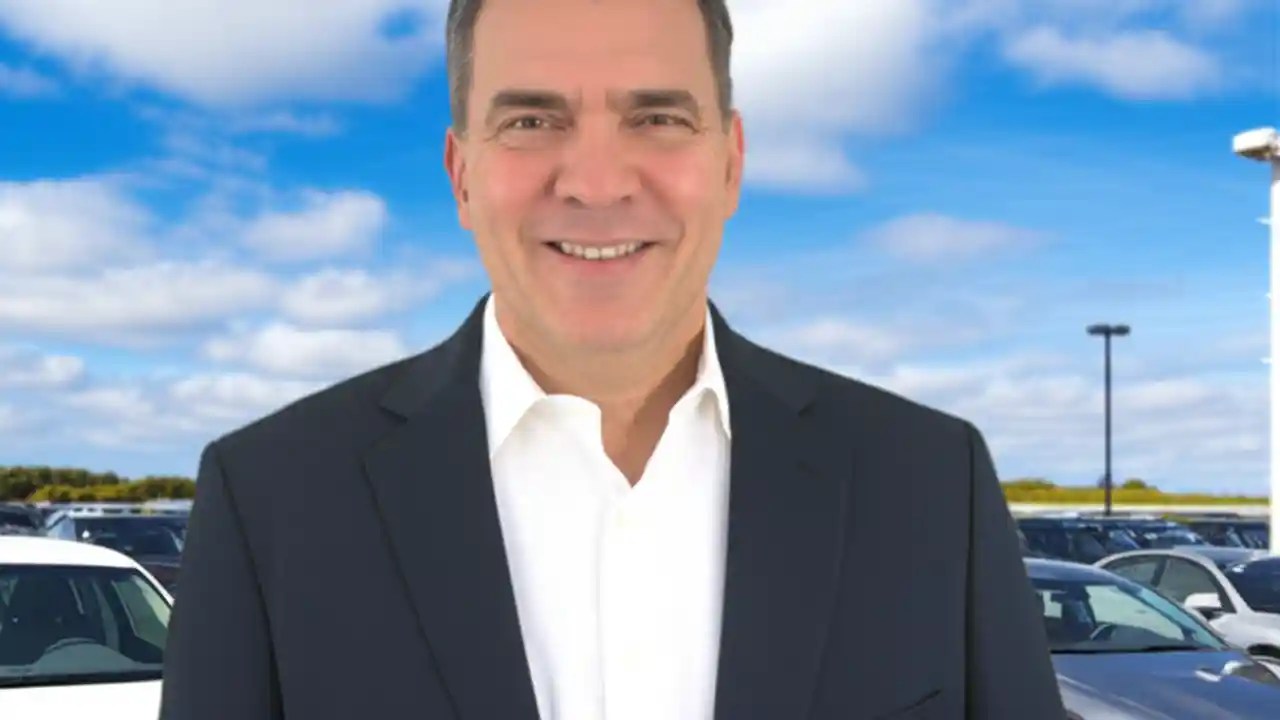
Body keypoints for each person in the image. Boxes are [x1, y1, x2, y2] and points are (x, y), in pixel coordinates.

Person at [159, 0, 1065, 718]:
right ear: (461, 173)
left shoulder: (929, 483)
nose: (595, 182)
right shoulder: (271, 498)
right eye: (530, 121)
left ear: (731, 162)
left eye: (659, 117)